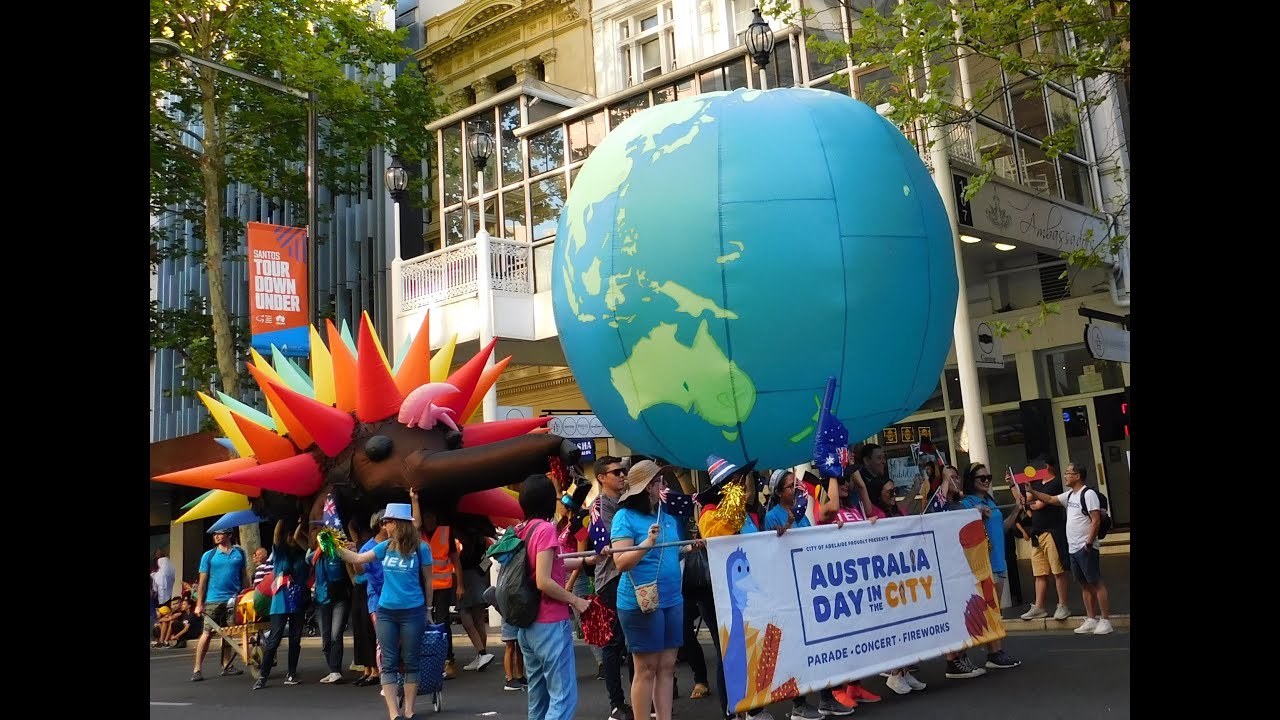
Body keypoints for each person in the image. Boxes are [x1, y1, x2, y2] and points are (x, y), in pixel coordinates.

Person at [610, 461, 697, 720]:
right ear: (648, 487)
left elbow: (668, 554)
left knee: (667, 667)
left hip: (672, 599)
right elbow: (621, 562)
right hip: (641, 602)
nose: (665, 486)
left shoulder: (667, 518)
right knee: (646, 668)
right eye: (660, 481)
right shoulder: (624, 517)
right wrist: (648, 541)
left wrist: (690, 548)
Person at [763, 470, 854, 718]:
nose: (797, 489)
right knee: (795, 647)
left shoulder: (804, 512)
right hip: (788, 590)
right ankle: (799, 704)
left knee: (821, 642)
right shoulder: (772, 516)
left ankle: (827, 697)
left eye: (797, 485)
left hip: (809, 586)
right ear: (780, 492)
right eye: (791, 486)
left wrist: (829, 530)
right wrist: (788, 525)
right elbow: (770, 549)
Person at [339, 503, 433, 720]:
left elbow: (429, 581)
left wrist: (428, 610)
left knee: (411, 661)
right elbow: (358, 560)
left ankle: (410, 711)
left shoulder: (421, 548)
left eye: (387, 521)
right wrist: (334, 547)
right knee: (388, 662)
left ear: (398, 523)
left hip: (413, 611)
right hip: (386, 612)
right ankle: (394, 713)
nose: (383, 525)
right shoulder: (385, 547)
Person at [513, 474, 592, 720]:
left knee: (538, 698)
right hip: (550, 620)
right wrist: (576, 600)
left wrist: (588, 559)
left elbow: (548, 565)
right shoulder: (546, 529)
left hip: (526, 623)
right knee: (563, 698)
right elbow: (544, 580)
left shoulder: (520, 530)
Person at [1025, 462, 1114, 635]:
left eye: (1068, 473)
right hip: (1073, 548)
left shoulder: (1088, 494)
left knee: (1096, 583)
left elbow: (1095, 519)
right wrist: (1033, 491)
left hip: (1085, 547)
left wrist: (1089, 542)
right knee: (1084, 585)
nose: (1065, 476)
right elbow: (1050, 499)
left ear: (1077, 476)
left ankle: (1105, 620)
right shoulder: (1070, 495)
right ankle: (1091, 618)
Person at [865, 476, 929, 695]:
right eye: (889, 493)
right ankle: (894, 673)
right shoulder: (876, 513)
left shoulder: (894, 511)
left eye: (895, 492)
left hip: (901, 574)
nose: (893, 496)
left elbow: (905, 508)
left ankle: (904, 670)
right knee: (894, 625)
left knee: (907, 623)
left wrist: (915, 489)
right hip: (885, 577)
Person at [960, 463, 1022, 670]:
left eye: (989, 477)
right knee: (986, 610)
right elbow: (964, 529)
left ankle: (994, 652)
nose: (986, 481)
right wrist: (975, 514)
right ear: (971, 481)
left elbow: (1002, 528)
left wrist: (1016, 510)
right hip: (982, 564)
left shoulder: (989, 500)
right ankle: (993, 652)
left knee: (993, 611)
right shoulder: (967, 502)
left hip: (998, 560)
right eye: (982, 478)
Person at [590, 455, 636, 720]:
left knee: (636, 643)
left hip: (631, 574)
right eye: (616, 471)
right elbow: (610, 540)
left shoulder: (628, 499)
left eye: (623, 471)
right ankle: (617, 705)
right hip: (610, 580)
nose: (622, 475)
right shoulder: (599, 505)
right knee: (613, 643)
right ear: (601, 477)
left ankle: (641, 699)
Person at [255, 518, 310, 689]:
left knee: (295, 639)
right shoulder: (279, 554)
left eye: (294, 537)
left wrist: (300, 525)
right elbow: (276, 535)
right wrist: (281, 517)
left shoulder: (303, 554)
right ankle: (263, 675)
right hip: (280, 602)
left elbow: (305, 543)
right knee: (274, 639)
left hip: (298, 601)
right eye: (289, 536)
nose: (292, 539)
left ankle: (291, 673)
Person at [191, 527, 248, 682]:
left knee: (228, 632)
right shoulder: (209, 556)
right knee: (207, 633)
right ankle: (197, 668)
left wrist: (246, 594)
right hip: (213, 599)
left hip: (233, 599)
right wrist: (199, 603)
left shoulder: (239, 553)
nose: (216, 536)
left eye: (220, 533)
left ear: (229, 535)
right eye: (214, 534)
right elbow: (202, 582)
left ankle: (226, 665)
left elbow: (244, 576)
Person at [1019, 459, 1072, 622]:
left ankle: (1063, 605)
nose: (1035, 470)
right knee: (1039, 572)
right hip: (1037, 533)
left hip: (1052, 532)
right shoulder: (1035, 483)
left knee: (1057, 570)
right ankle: (1039, 607)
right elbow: (1024, 502)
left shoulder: (1055, 483)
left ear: (1047, 467)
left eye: (1038, 467)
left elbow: (1038, 505)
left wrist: (1031, 501)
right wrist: (1014, 486)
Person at [420, 509, 461, 680]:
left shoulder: (445, 533)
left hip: (443, 586)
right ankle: (428, 659)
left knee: (442, 621)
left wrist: (461, 585)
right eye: (426, 517)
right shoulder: (418, 534)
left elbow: (455, 559)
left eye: (431, 516)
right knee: (424, 622)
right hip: (425, 586)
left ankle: (448, 660)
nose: (429, 520)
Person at [311, 525, 353, 684]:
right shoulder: (314, 556)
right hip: (321, 601)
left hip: (339, 599)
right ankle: (332, 669)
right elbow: (298, 540)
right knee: (326, 639)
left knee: (336, 635)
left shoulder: (338, 554)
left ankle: (336, 670)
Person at [456, 517, 497, 672]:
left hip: (467, 577)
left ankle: (482, 654)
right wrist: (482, 568)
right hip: (478, 578)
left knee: (467, 619)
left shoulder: (467, 538)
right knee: (479, 620)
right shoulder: (483, 538)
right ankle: (482, 655)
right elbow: (493, 554)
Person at [348, 516, 380, 687]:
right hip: (359, 589)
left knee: (369, 631)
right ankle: (367, 668)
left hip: (370, 587)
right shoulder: (361, 543)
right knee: (359, 629)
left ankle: (375, 669)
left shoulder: (371, 546)